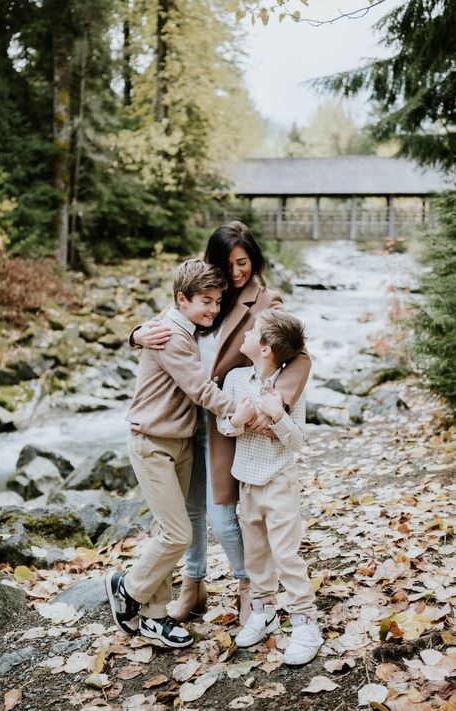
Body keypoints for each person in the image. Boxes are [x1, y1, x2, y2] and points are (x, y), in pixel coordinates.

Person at [130, 221, 311, 624]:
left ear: (254, 260)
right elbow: (168, 326)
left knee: (222, 517)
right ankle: (193, 586)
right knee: (189, 512)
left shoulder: (266, 302)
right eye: (226, 263)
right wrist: (137, 334)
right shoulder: (204, 290)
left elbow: (298, 356)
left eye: (242, 263)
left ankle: (252, 590)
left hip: (229, 421)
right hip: (180, 421)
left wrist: (274, 401)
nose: (235, 273)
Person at [105, 259, 238, 649]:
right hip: (152, 442)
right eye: (206, 301)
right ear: (182, 299)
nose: (213, 309)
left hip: (179, 441)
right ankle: (128, 590)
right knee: (178, 534)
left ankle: (154, 617)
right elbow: (200, 389)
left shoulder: (181, 324)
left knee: (167, 531)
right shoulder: (170, 334)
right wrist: (239, 410)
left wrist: (135, 334)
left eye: (218, 301)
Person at [217, 309, 323, 665]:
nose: (245, 333)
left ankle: (305, 622)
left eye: (252, 331)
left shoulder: (288, 389)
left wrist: (278, 416)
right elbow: (223, 427)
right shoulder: (234, 380)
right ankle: (263, 609)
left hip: (279, 479)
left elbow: (297, 442)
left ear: (265, 349)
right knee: (256, 551)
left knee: (286, 552)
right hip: (246, 478)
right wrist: (238, 419)